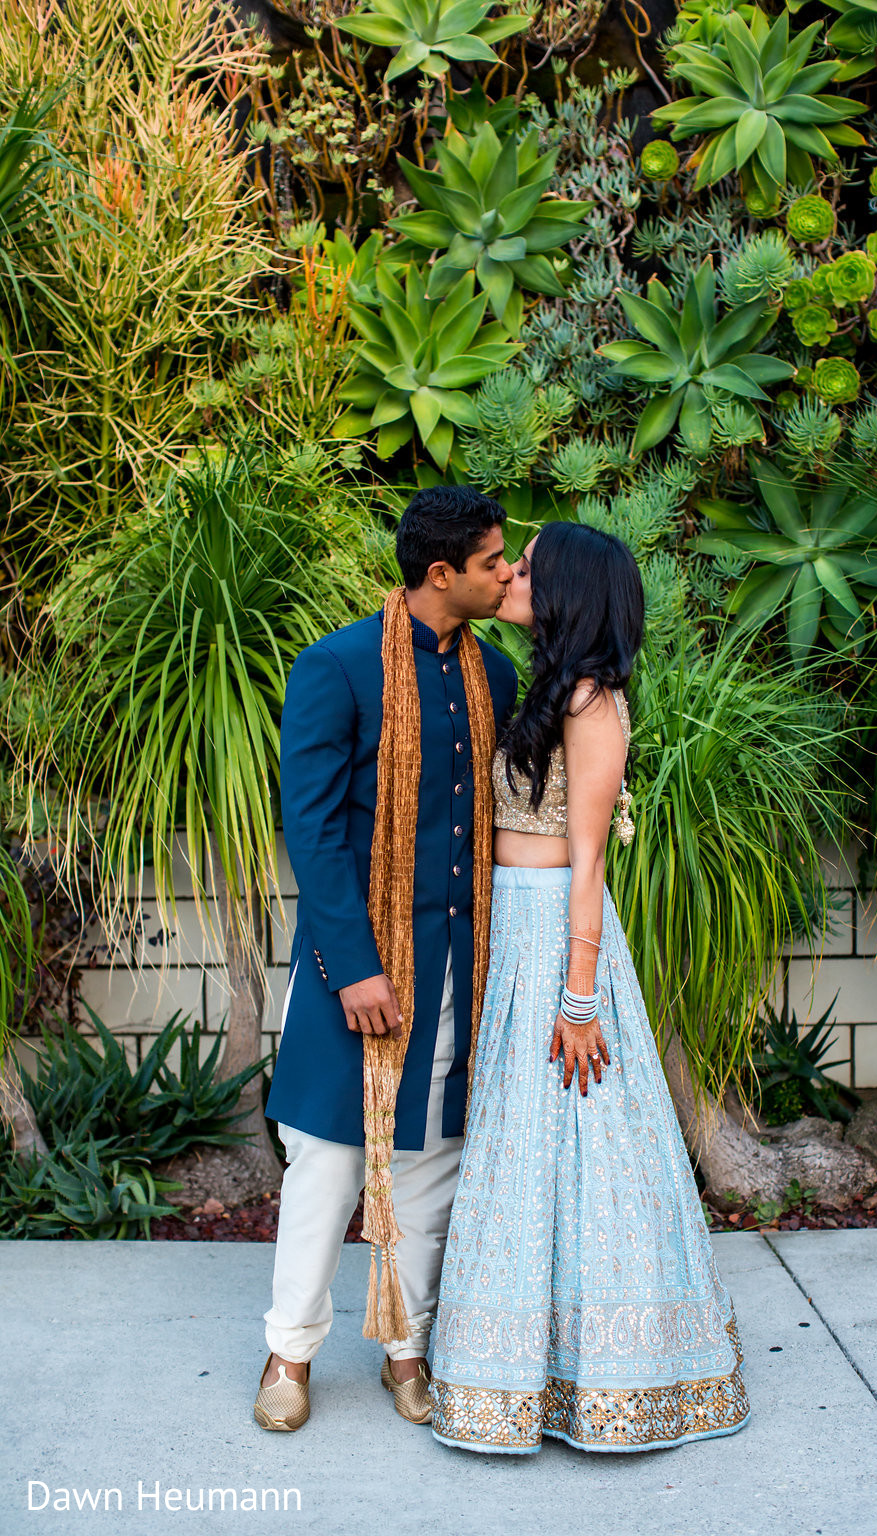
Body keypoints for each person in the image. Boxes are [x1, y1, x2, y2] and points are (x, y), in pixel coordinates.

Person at [429, 521, 750, 1454]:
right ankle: (526, 1370)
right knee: (524, 1146)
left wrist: (578, 999)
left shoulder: (593, 700)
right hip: (514, 935)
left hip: (562, 947)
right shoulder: (546, 688)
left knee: (589, 1140)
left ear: (568, 590)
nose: (513, 576)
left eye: (528, 567)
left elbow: (589, 862)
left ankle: (616, 1374)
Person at [254, 485, 518, 1432]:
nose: (508, 573)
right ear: (441, 573)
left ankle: (408, 1346)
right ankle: (289, 1354)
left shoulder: (496, 674)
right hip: (353, 964)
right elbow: (314, 832)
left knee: (432, 1157)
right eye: (495, 562)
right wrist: (354, 966)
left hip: (459, 958)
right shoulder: (336, 667)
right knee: (327, 1157)